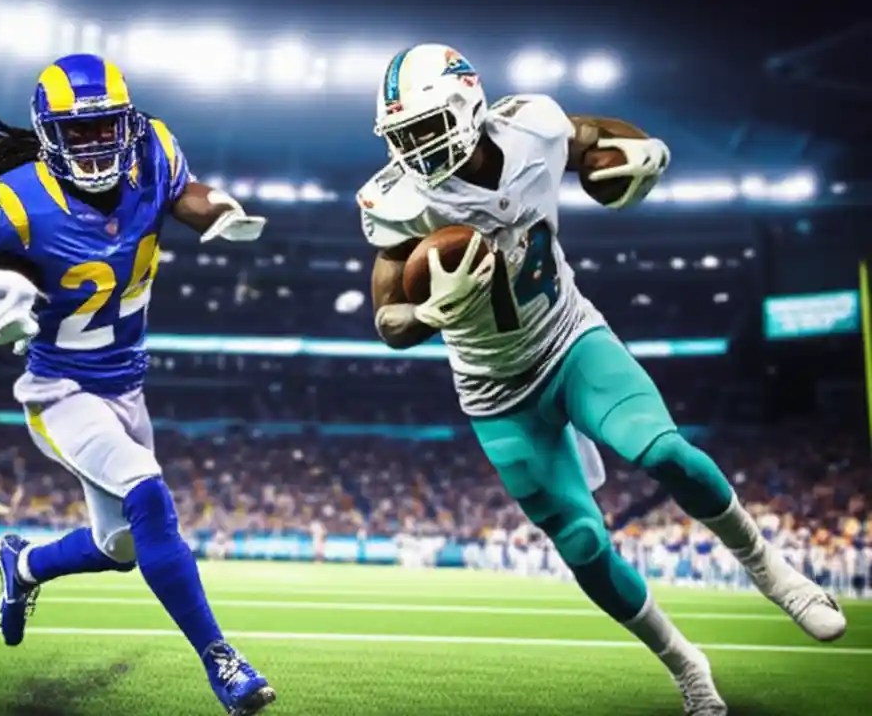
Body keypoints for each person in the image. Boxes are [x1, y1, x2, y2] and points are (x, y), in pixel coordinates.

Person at [358, 43, 845, 715]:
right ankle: (686, 665)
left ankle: (776, 573)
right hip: (495, 391)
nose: (416, 148)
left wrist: (643, 152)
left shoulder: (531, 126)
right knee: (583, 544)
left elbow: (594, 137)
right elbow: (387, 318)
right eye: (403, 136)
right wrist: (426, 314)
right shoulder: (399, 199)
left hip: (569, 339)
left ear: (468, 105)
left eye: (427, 127)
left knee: (666, 452)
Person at [0, 53, 274, 715]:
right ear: (50, 136)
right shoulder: (16, 200)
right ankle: (223, 661)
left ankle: (22, 563)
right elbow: (7, 279)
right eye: (80, 130)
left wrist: (220, 210)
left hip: (127, 388)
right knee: (148, 493)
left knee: (120, 547)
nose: (97, 143)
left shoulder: (153, 150)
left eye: (106, 127)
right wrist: (2, 309)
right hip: (61, 390)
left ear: (127, 122)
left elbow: (189, 196)